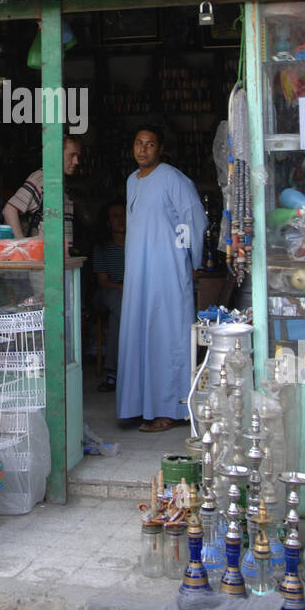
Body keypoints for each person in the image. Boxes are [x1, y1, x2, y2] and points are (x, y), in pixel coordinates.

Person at [116, 127, 207, 432]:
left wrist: (187, 256)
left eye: (150, 144)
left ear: (160, 148)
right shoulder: (131, 181)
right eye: (138, 143)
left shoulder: (172, 177)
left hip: (167, 270)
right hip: (138, 273)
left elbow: (194, 216)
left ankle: (171, 409)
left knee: (167, 337)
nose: (143, 149)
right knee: (141, 334)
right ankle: (140, 406)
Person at [2, 135, 81, 245]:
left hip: (60, 258)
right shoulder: (42, 178)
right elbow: (9, 210)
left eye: (77, 156)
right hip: (44, 259)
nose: (76, 161)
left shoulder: (61, 183)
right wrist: (22, 245)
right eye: (72, 155)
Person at [92, 201, 126, 393]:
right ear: (108, 223)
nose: (121, 220)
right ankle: (115, 369)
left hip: (127, 296)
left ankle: (112, 373)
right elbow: (103, 282)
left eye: (123, 215)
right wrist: (124, 288)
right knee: (119, 302)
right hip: (108, 292)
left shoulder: (137, 245)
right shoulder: (102, 248)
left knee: (117, 315)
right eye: (115, 216)